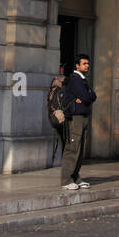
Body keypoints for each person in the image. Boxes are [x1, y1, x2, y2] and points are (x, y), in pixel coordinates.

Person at [60, 53, 96, 192]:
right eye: (84, 63)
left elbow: (92, 95)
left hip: (83, 115)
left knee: (80, 148)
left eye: (87, 63)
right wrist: (87, 96)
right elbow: (87, 96)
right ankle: (66, 179)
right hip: (75, 117)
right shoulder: (75, 79)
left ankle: (75, 177)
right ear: (77, 65)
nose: (87, 66)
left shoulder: (83, 80)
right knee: (73, 147)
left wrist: (87, 95)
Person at [47, 65, 68, 161]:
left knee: (60, 138)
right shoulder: (61, 89)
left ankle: (57, 157)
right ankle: (64, 158)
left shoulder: (52, 89)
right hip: (61, 117)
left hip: (54, 116)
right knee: (64, 139)